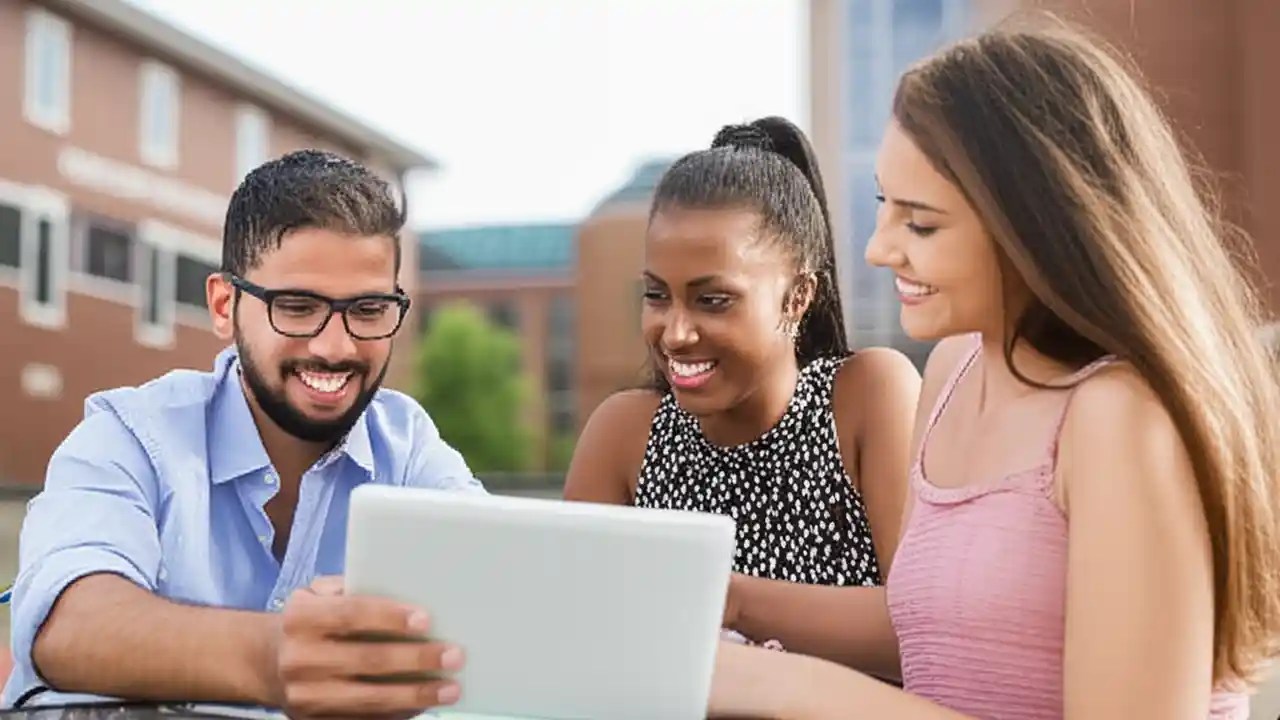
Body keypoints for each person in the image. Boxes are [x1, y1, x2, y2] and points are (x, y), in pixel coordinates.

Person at [705, 17, 1280, 720]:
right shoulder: (954, 371)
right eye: (884, 205)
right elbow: (948, 626)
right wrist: (728, 600)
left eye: (920, 223)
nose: (878, 250)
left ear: (1037, 224)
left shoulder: (1122, 417)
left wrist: (790, 688)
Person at [3, 150, 486, 717]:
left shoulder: (408, 447)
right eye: (298, 307)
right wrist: (273, 657)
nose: (337, 346)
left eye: (370, 309)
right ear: (224, 305)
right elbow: (67, 624)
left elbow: (497, 593)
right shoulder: (130, 433)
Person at [563, 116, 921, 673]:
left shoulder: (867, 397)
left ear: (797, 297)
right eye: (657, 295)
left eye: (713, 301)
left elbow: (925, 632)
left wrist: (721, 597)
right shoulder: (624, 434)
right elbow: (571, 640)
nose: (675, 333)